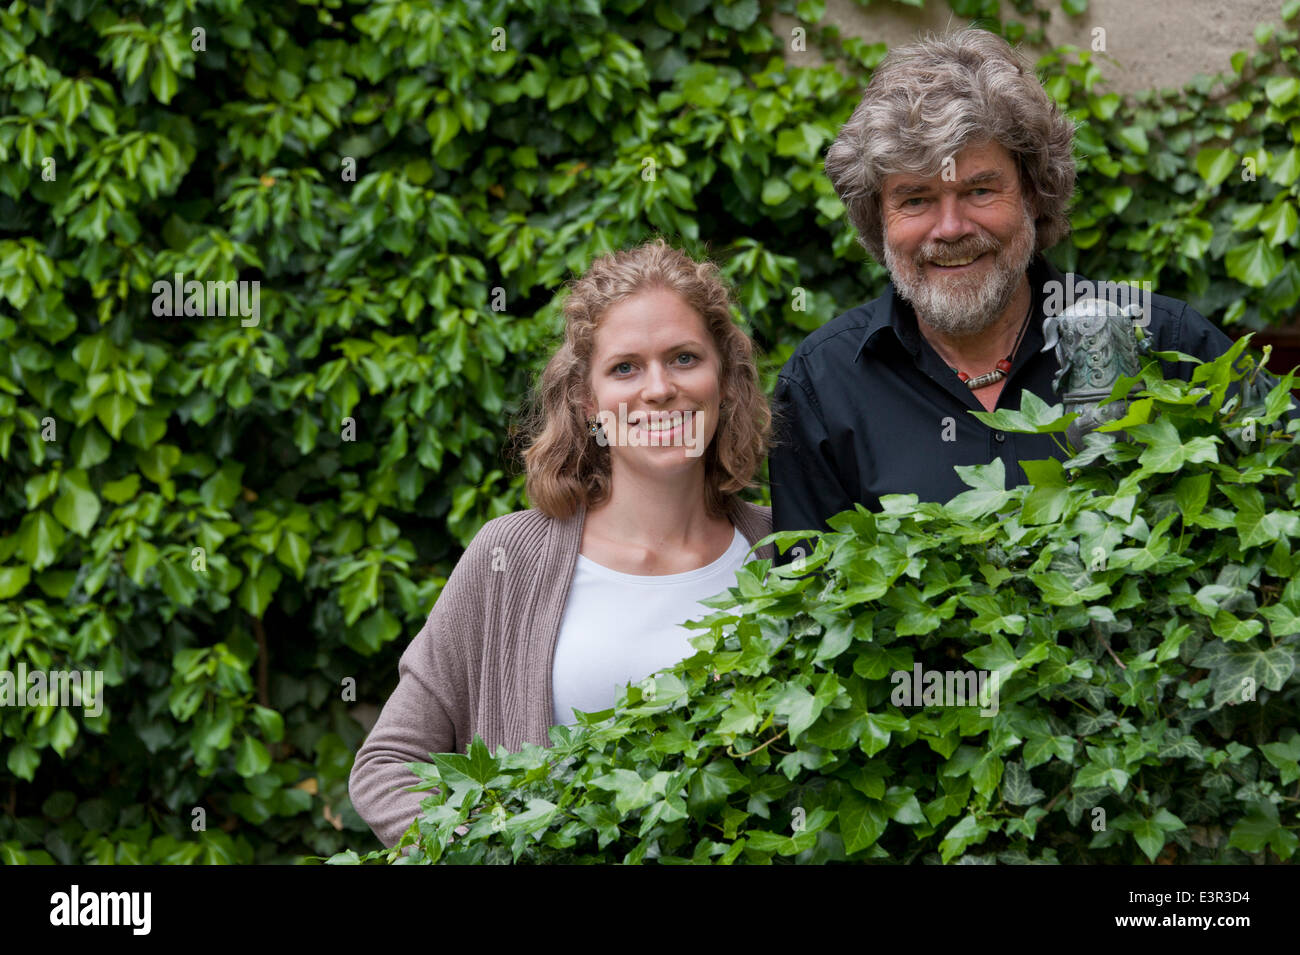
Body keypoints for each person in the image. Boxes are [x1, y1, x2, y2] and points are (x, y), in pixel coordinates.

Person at [349, 238, 774, 847]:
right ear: (587, 400)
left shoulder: (783, 548)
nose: (658, 389)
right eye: (625, 367)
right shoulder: (509, 559)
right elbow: (388, 763)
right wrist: (490, 853)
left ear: (724, 379)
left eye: (684, 358)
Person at [769, 28, 1238, 561]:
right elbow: (806, 610)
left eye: (980, 190)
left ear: (1034, 194)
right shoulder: (822, 388)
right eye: (916, 199)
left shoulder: (1163, 339)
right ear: (878, 218)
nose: (950, 228)